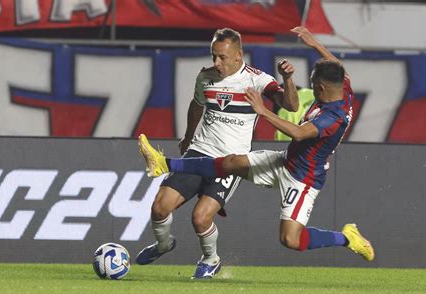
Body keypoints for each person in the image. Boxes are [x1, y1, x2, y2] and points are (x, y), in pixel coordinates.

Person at [137, 26, 375, 264]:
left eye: (313, 87)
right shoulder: (342, 86)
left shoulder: (333, 117)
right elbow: (335, 66)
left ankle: (346, 237)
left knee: (290, 239)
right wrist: (314, 44)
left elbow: (300, 133)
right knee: (232, 162)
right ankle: (164, 163)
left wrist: (263, 110)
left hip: (303, 178)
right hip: (283, 160)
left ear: (322, 89)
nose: (311, 91)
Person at [135, 27, 299, 279]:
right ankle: (164, 245)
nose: (216, 62)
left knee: (200, 219)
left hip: (230, 162)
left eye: (222, 57)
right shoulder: (205, 77)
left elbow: (290, 105)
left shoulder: (257, 79)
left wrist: (287, 79)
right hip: (199, 152)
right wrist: (188, 137)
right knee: (159, 208)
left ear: (238, 55)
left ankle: (211, 259)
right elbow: (196, 105)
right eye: (214, 56)